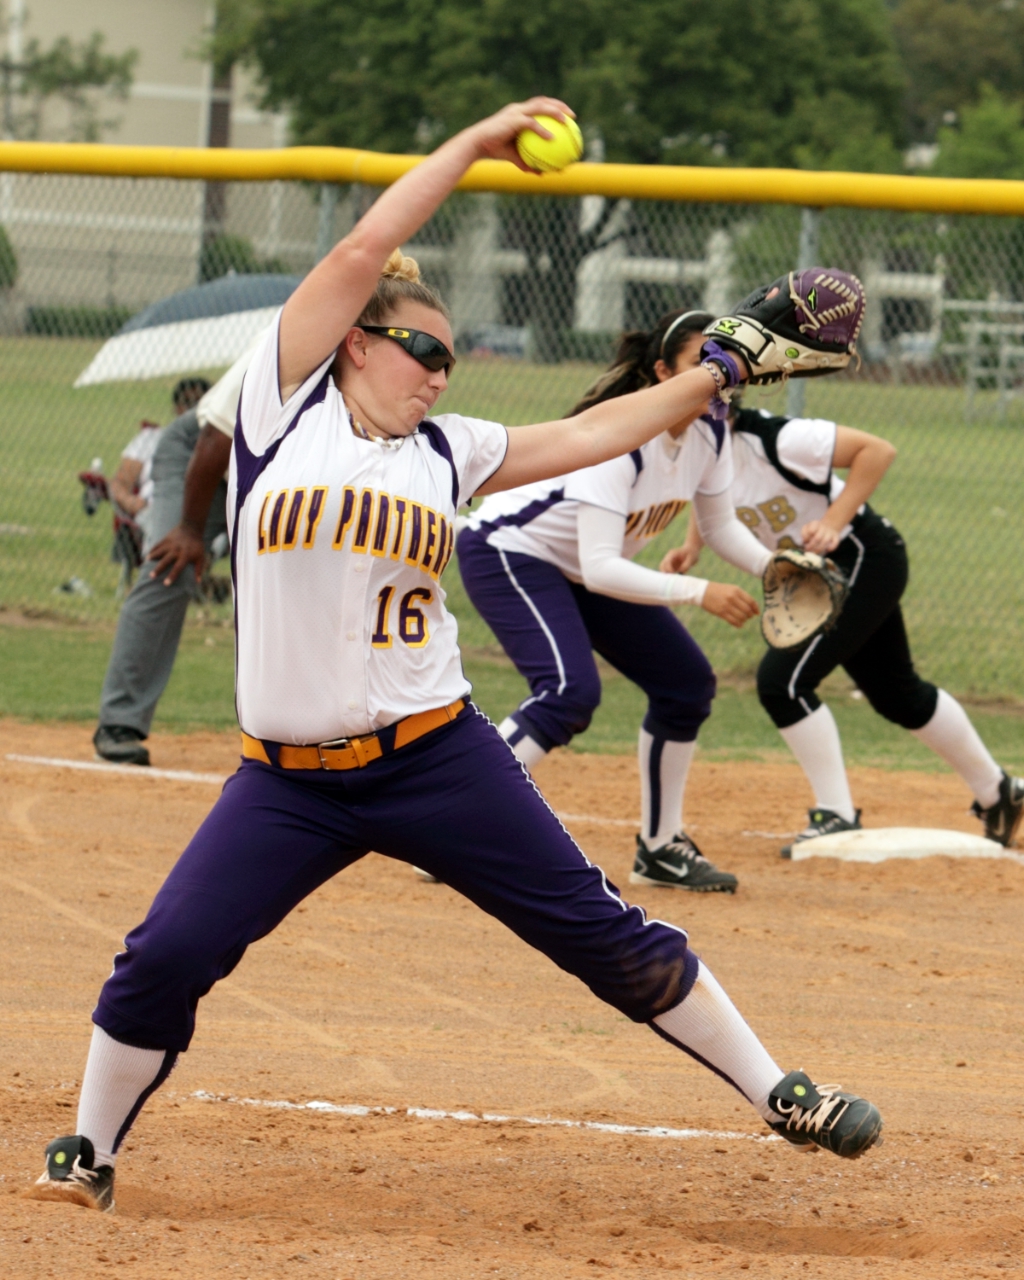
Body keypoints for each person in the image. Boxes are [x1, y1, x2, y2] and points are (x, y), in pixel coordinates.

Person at [26, 99, 881, 1215]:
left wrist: (716, 369)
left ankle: (782, 1092)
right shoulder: (288, 412)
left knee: (598, 931)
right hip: (286, 781)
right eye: (420, 346)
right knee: (166, 952)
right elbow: (359, 248)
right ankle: (85, 1150)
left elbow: (589, 436)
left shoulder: (451, 446)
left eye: (451, 353)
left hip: (436, 755)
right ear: (352, 342)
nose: (439, 367)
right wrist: (476, 147)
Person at [457, 311, 773, 893]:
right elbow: (601, 567)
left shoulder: (711, 433)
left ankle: (660, 848)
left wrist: (774, 568)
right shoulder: (623, 440)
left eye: (726, 368)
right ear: (661, 372)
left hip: (579, 565)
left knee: (685, 685)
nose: (719, 380)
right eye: (704, 364)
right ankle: (453, 828)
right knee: (568, 693)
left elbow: (720, 526)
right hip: (510, 550)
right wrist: (700, 593)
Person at [674, 403, 1024, 854]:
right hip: (820, 574)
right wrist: (691, 545)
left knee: (784, 683)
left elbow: (877, 451)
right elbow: (712, 496)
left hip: (858, 557)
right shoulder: (700, 447)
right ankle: (1000, 795)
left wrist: (833, 521)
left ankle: (836, 813)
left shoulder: (775, 438)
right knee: (898, 693)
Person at [92, 372, 237, 766]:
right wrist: (189, 529)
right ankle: (119, 722)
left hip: (266, 470)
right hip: (201, 451)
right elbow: (216, 435)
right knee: (171, 567)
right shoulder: (295, 343)